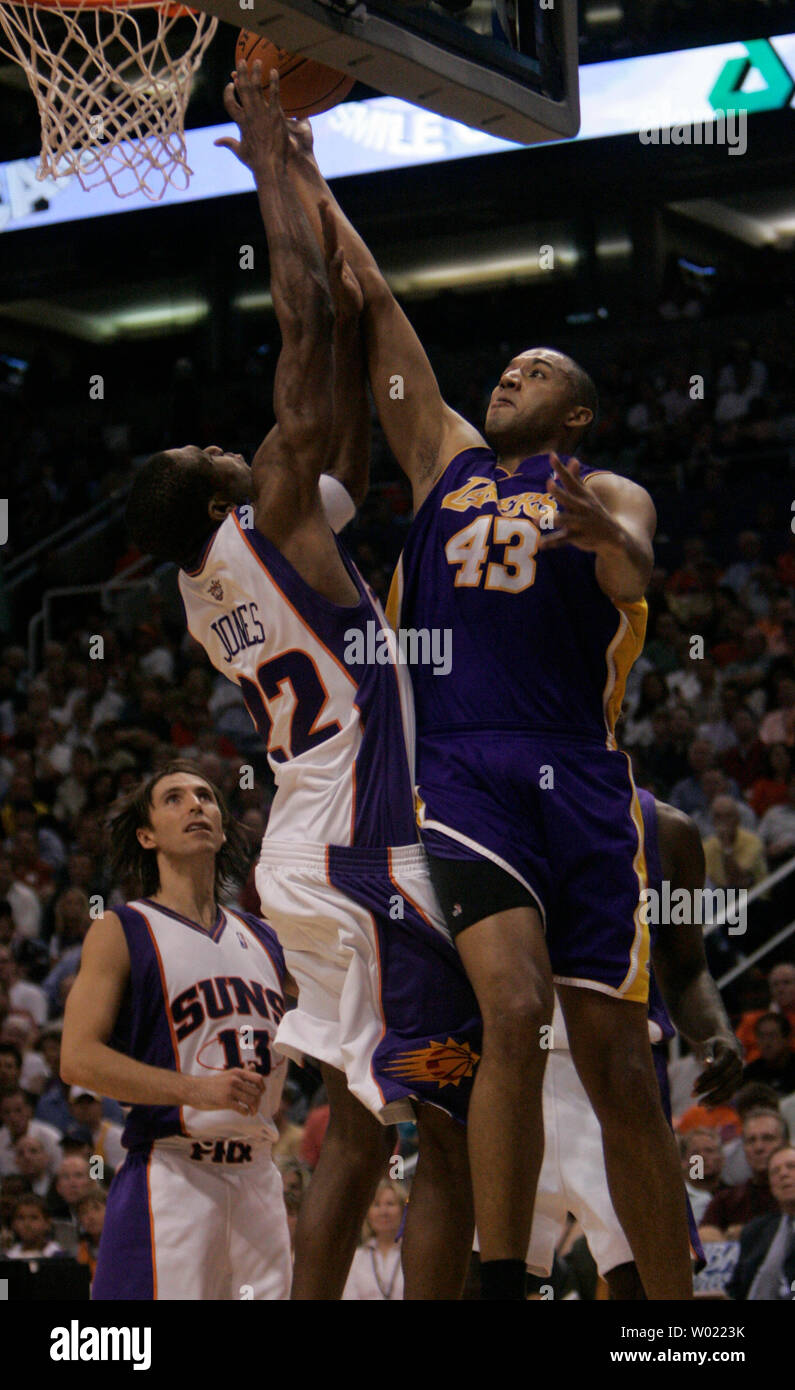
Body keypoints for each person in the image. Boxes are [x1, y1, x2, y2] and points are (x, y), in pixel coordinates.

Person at [284, 117, 690, 1300]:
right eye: (508, 363)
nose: (512, 371)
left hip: (580, 775)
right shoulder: (448, 458)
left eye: (541, 370)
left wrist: (605, 533)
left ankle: (680, 1314)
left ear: (576, 415)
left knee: (620, 1061)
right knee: (509, 1009)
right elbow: (366, 295)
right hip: (459, 770)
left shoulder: (606, 485)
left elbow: (636, 571)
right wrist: (299, 163)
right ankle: (501, 1281)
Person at [126, 67, 479, 1301]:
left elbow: (324, 362)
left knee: (367, 1112)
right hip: (355, 841)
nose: (228, 439)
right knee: (443, 1104)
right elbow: (312, 320)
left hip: (306, 840)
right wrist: (276, 158)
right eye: (205, 450)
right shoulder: (271, 496)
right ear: (219, 489)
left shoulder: (209, 579)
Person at [58, 761, 292, 1300]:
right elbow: (78, 1059)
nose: (195, 805)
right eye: (174, 798)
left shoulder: (267, 938)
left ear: (224, 826)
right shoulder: (123, 927)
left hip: (259, 1177)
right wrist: (195, 1089)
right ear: (146, 835)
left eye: (207, 797)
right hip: (174, 1174)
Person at [526, 794, 742, 1298]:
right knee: (475, 1283)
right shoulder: (480, 806)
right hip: (508, 1076)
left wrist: (716, 1031)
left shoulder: (669, 830)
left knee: (649, 1294)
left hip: (617, 1081)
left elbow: (687, 967)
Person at [701, 1110, 788, 1238]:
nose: (759, 1147)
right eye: (751, 1140)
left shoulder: (790, 1194)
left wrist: (747, 1233)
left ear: (786, 1143)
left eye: (768, 1138)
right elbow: (703, 1238)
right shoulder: (725, 1201)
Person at [727, 1146, 795, 1300]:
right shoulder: (755, 1231)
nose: (783, 1174)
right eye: (775, 1171)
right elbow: (736, 1289)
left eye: (791, 1166)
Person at [342, 1179, 407, 1300]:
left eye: (390, 1204)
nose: (383, 1212)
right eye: (376, 1205)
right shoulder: (355, 1259)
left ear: (403, 1210)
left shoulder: (414, 1254)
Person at [742, 1014, 795, 1095]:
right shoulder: (750, 1074)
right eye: (761, 1036)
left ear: (786, 1039)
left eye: (772, 1036)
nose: (766, 1043)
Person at [3, 1193, 64, 1260]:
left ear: (47, 1223)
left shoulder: (58, 1256)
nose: (27, 1224)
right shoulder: (9, 1257)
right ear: (13, 1224)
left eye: (34, 1218)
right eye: (21, 1218)